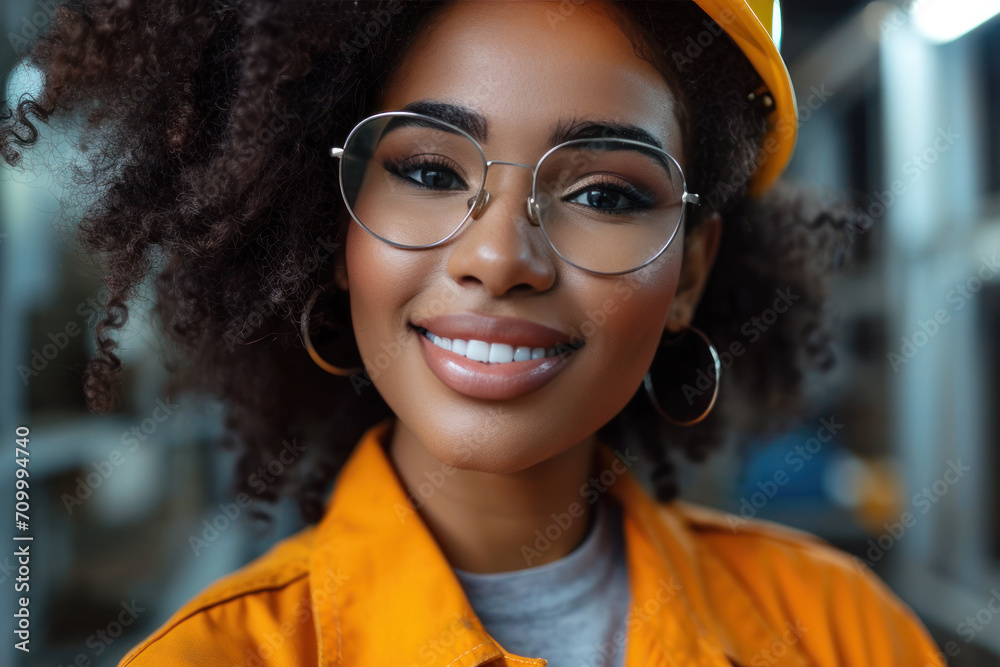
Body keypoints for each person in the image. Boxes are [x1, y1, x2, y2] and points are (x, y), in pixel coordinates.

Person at [2, 0, 948, 665]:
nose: (500, 258)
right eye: (427, 172)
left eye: (604, 193)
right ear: (334, 233)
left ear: (690, 271)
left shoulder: (844, 634)